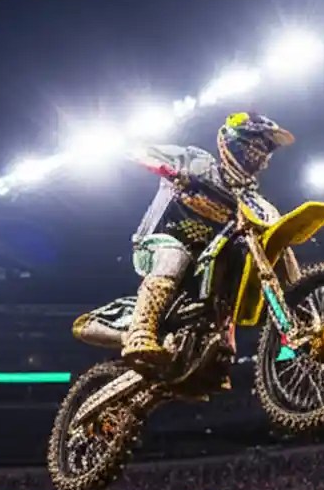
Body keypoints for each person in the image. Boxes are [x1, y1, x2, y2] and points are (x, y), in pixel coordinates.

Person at [122, 112, 295, 362]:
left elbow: (274, 228)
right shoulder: (198, 161)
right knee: (175, 254)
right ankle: (140, 331)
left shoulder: (249, 197)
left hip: (205, 258)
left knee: (237, 273)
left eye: (267, 149)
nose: (261, 155)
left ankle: (293, 325)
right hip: (162, 240)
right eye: (257, 145)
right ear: (236, 141)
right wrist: (168, 170)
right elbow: (138, 152)